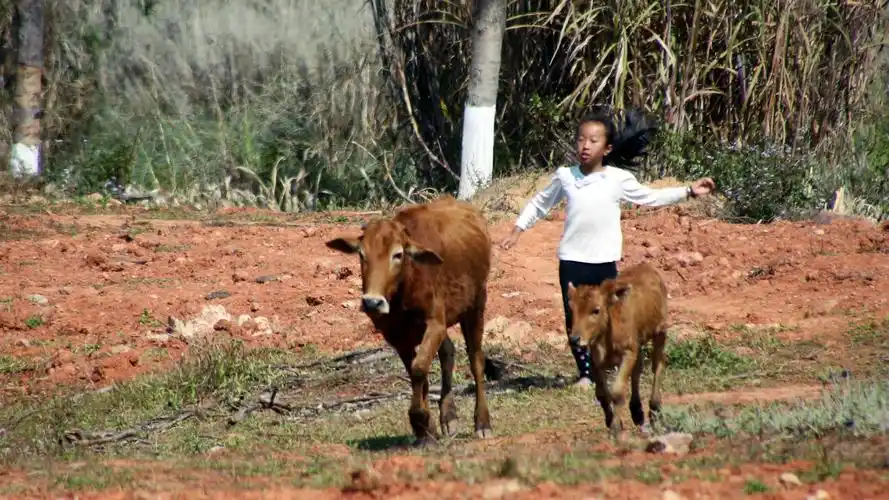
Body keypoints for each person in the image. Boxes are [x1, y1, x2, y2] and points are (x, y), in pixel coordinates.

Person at [500, 108, 716, 389]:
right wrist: (518, 229)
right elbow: (540, 203)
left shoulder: (618, 179)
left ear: (607, 148)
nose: (585, 146)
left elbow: (650, 197)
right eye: (580, 140)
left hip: (604, 261)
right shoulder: (566, 176)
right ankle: (586, 374)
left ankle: (609, 362)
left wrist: (687, 191)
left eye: (593, 141)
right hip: (572, 259)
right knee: (575, 317)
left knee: (607, 315)